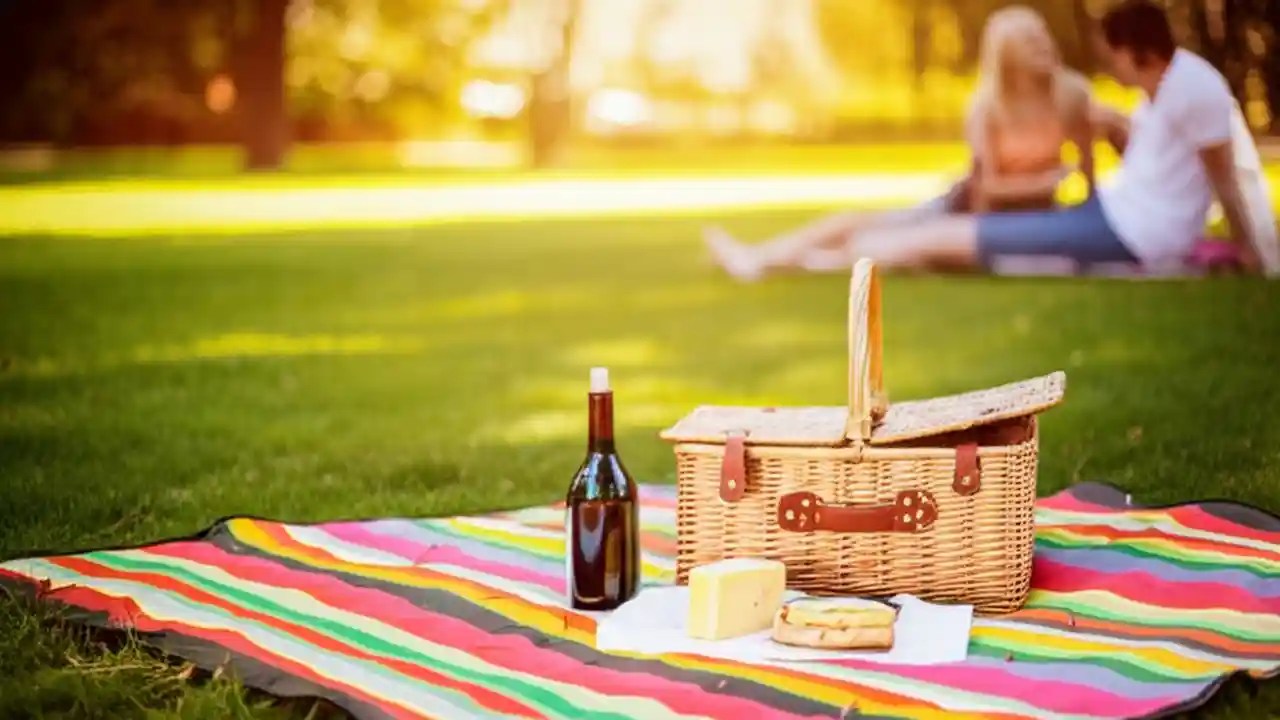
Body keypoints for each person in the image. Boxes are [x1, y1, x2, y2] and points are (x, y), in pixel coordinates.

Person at [828, 0, 1264, 275]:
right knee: (975, 228)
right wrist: (1116, 127)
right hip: (1112, 212)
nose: (1111, 68)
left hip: (1132, 233)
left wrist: (1250, 251)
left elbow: (1224, 178)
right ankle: (857, 251)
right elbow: (1158, 160)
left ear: (1137, 53)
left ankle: (852, 257)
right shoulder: (1165, 86)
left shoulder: (1194, 89)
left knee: (968, 235)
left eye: (1114, 58)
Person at [705, 5, 1098, 281]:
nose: (1043, 48)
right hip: (966, 209)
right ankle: (761, 259)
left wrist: (1085, 211)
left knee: (874, 248)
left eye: (1043, 38)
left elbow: (1090, 169)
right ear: (1007, 57)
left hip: (1030, 216)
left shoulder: (1072, 95)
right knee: (856, 224)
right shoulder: (986, 108)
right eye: (1030, 43)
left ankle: (795, 262)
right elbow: (986, 192)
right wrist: (1046, 183)